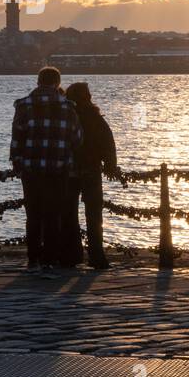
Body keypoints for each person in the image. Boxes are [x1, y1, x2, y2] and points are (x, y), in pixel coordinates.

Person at [11, 67, 83, 277]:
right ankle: (48, 262)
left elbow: (17, 138)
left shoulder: (23, 105)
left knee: (33, 215)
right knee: (53, 215)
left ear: (38, 81)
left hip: (31, 170)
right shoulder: (68, 107)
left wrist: (18, 161)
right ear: (57, 83)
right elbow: (77, 139)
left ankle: (32, 259)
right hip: (57, 169)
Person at [63, 82, 117, 270]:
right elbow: (108, 142)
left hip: (69, 171)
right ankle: (97, 256)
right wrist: (111, 165)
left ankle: (72, 254)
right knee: (94, 215)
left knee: (69, 214)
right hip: (92, 170)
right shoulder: (95, 118)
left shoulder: (67, 117)